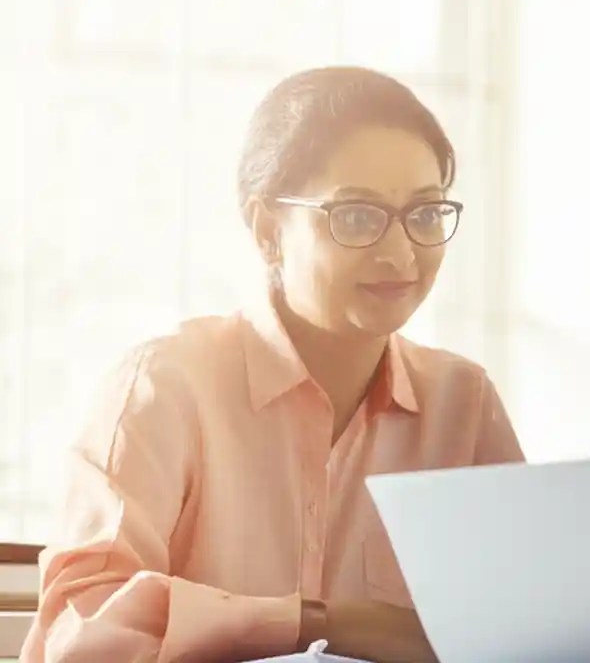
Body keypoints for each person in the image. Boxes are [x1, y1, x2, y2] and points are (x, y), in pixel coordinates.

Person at [23, 66, 525, 663]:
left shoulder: (463, 404)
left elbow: (522, 631)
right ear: (267, 230)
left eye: (425, 214)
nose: (400, 254)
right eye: (357, 216)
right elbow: (78, 639)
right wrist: (317, 623)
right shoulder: (165, 389)